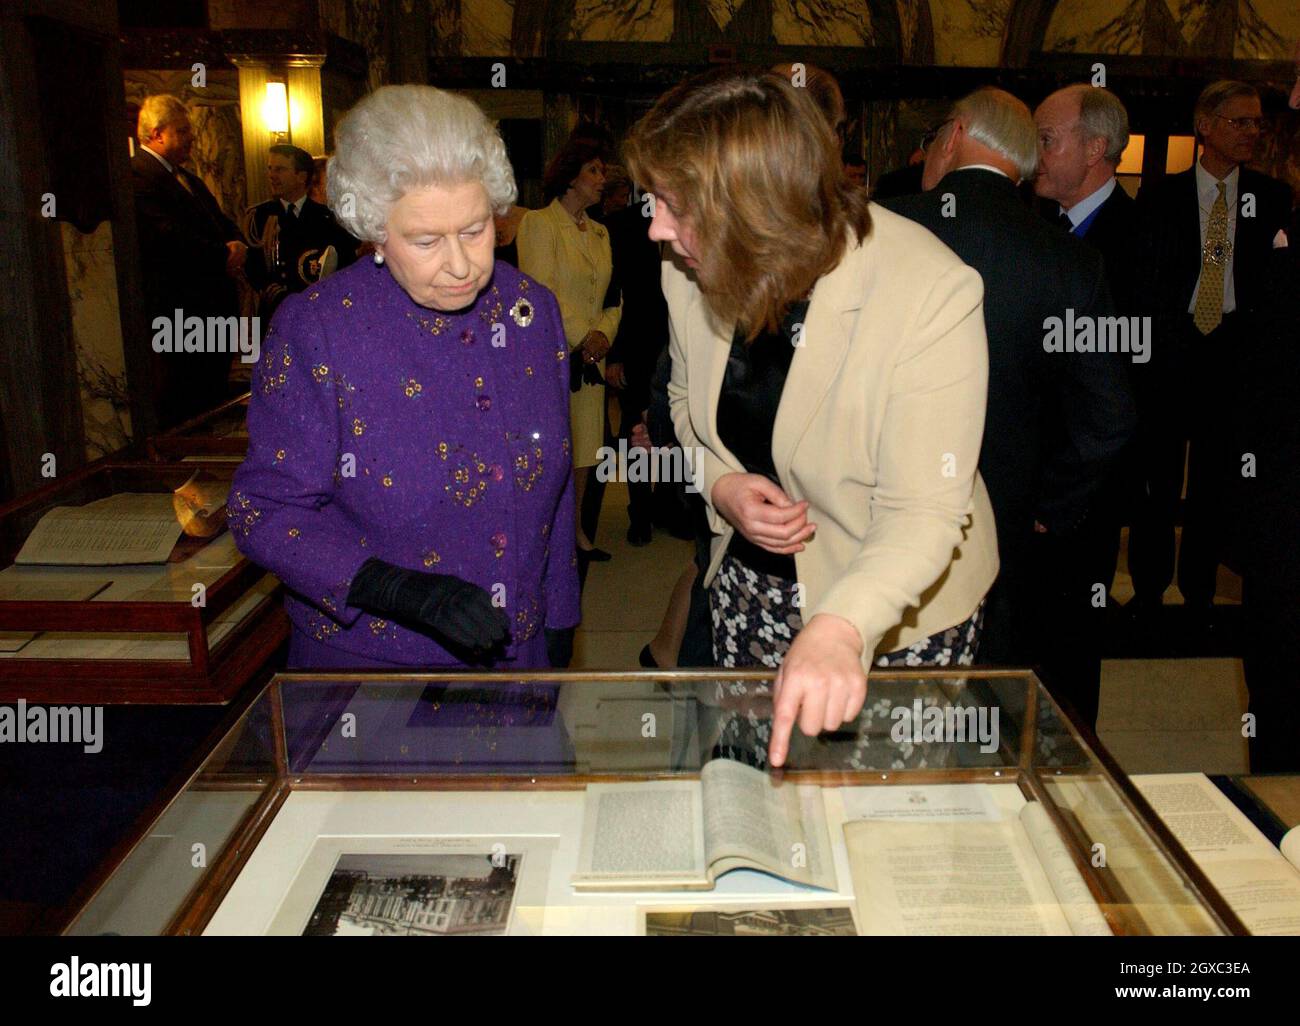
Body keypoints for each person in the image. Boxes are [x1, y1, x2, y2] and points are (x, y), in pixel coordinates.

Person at [625, 70, 999, 768]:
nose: (656, 228)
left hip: (889, 606)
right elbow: (681, 405)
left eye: (674, 205)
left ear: (751, 208)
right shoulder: (685, 264)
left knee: (875, 825)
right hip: (749, 588)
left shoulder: (930, 291)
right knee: (760, 795)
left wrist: (840, 627)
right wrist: (719, 485)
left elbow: (922, 510)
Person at [229, 85, 579, 671]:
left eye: (475, 230)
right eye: (425, 240)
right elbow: (262, 510)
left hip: (517, 656)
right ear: (374, 230)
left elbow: (558, 480)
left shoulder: (530, 312)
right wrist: (388, 588)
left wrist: (561, 616)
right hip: (372, 667)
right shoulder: (318, 330)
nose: (462, 264)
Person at [884, 88, 1135, 728]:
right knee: (998, 694)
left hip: (886, 510)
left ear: (954, 132)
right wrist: (1053, 504)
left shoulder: (880, 227)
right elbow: (1110, 415)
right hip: (1015, 525)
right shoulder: (1074, 263)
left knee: (891, 702)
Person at [1129, 81, 1293, 625]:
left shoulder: (1272, 199)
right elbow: (1145, 285)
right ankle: (1149, 592)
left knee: (1215, 484)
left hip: (1234, 358)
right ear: (1205, 126)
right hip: (1173, 357)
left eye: (1256, 124)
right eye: (1239, 122)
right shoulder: (1160, 197)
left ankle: (1199, 595)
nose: (1251, 132)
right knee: (1158, 478)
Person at [517, 135, 621, 567]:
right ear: (571, 176)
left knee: (585, 451)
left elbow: (614, 296)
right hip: (557, 355)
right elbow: (543, 293)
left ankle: (577, 530)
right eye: (595, 170)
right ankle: (546, 536)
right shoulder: (539, 224)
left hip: (591, 358)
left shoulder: (600, 231)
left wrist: (604, 335)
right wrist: (585, 336)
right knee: (556, 450)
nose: (603, 179)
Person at [131, 94, 247, 427]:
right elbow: (168, 237)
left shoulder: (187, 178)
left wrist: (237, 245)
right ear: (157, 134)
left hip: (212, 308)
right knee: (188, 397)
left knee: (212, 393)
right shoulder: (139, 175)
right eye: (182, 131)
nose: (191, 139)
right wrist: (222, 255)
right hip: (182, 310)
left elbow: (220, 221)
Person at [599, 164, 669, 546]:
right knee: (636, 429)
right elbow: (615, 293)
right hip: (637, 344)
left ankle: (669, 504)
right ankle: (640, 512)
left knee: (676, 426)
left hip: (679, 345)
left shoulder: (696, 216)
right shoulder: (622, 224)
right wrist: (616, 355)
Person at [242, 143, 358, 316]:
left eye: (280, 169)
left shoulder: (327, 218)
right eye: (270, 169)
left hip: (317, 311)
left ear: (301, 176)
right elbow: (251, 265)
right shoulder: (260, 217)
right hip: (275, 312)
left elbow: (344, 261)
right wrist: (273, 292)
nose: (272, 176)